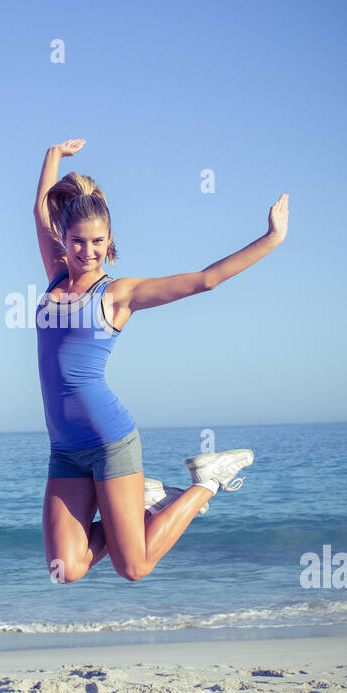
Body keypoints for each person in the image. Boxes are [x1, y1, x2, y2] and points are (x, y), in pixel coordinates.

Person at [34, 139, 288, 582]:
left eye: (97, 242)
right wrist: (53, 154)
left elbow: (204, 281)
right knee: (65, 570)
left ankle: (207, 481)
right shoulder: (56, 272)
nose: (87, 251)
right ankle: (139, 502)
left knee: (134, 567)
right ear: (65, 238)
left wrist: (271, 238)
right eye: (78, 242)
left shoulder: (118, 294)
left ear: (109, 240)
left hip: (110, 440)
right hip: (65, 450)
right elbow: (40, 209)